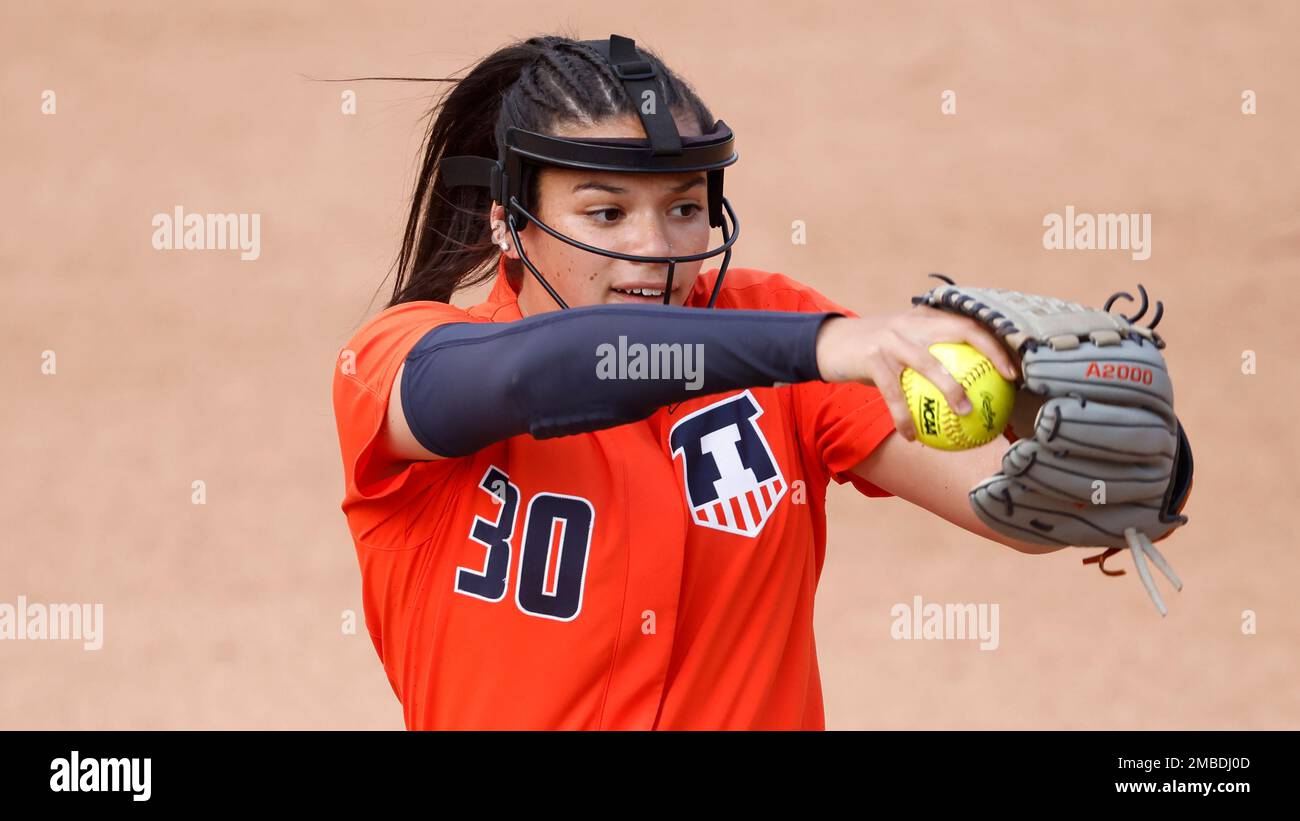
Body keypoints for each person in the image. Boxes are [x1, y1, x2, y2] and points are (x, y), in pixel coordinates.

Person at [331, 33, 1068, 730]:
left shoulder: (775, 327)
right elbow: (551, 366)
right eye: (606, 212)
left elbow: (1015, 503)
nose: (654, 249)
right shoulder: (405, 355)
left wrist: (1090, 450)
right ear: (510, 222)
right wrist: (827, 342)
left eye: (684, 208)